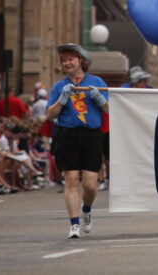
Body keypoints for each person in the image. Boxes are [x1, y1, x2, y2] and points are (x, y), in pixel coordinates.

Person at [46, 43, 108, 239]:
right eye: (64, 60)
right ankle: (74, 225)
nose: (67, 63)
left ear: (82, 61)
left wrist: (99, 98)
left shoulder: (96, 81)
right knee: (71, 180)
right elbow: (49, 115)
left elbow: (109, 109)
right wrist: (61, 100)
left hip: (91, 135)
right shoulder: (59, 86)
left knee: (90, 185)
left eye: (70, 59)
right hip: (67, 135)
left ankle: (86, 209)